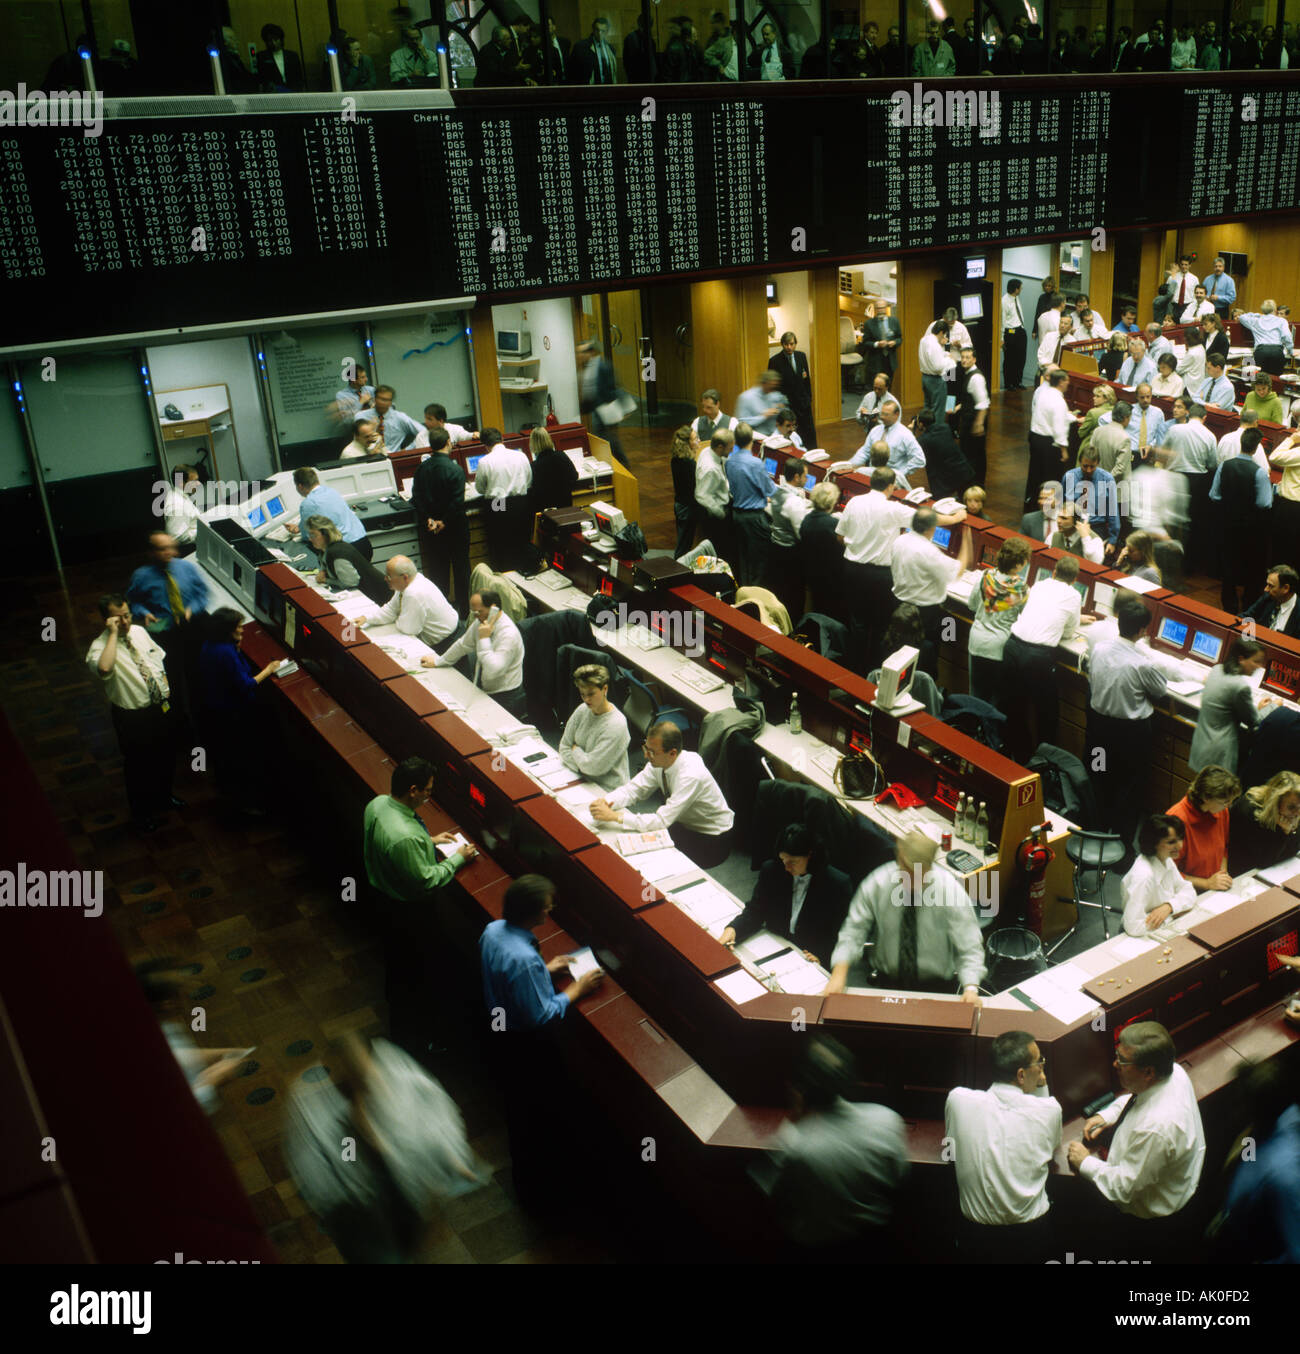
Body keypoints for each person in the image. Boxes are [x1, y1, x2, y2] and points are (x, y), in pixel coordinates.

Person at [286, 1032, 484, 1263]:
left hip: (399, 1187)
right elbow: (320, 1167)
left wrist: (450, 1156)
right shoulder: (313, 1104)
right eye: (352, 1082)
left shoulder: (394, 1071)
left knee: (408, 1238)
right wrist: (340, 1199)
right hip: (357, 1210)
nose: (364, 1087)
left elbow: (432, 1108)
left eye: (365, 1077)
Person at [479, 874, 603, 1209]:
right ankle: (540, 1194)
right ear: (532, 913)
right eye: (546, 907)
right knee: (537, 1117)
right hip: (527, 1046)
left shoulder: (493, 931)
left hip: (500, 1032)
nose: (550, 910)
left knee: (520, 1114)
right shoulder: (524, 959)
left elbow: (507, 978)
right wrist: (577, 989)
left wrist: (544, 971)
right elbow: (540, 1015)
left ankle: (531, 1182)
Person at [759, 1036, 908, 1258]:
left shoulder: (795, 1146)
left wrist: (794, 1120)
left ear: (799, 1090)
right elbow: (900, 1179)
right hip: (879, 1246)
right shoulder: (887, 1120)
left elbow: (773, 1198)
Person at [1067, 1022, 1206, 1255]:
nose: (1115, 1064)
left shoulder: (1156, 1128)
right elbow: (1138, 1097)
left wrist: (1085, 1162)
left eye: (1122, 1061)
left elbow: (1124, 1187)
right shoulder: (1173, 1072)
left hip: (1151, 1225)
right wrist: (1107, 1114)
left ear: (1148, 1072)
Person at [826, 830, 986, 1001]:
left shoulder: (950, 892)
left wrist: (970, 988)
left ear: (929, 867)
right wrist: (839, 973)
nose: (911, 879)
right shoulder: (877, 883)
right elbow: (854, 931)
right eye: (907, 870)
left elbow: (969, 947)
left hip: (936, 986)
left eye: (918, 873)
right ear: (899, 858)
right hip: (888, 982)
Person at [944, 1030, 1062, 1262]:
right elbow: (1052, 1147)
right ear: (1021, 1075)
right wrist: (1041, 1084)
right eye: (1039, 1062)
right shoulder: (1050, 1110)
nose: (1042, 1068)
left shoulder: (958, 1100)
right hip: (1031, 1236)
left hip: (976, 1237)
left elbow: (950, 1152)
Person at [86, 594, 180, 832]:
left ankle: (164, 797)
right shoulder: (100, 647)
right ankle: (142, 814)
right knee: (139, 766)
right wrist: (113, 634)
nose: (126, 622)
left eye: (127, 615)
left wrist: (164, 688)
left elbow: (157, 657)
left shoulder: (139, 631)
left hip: (160, 707)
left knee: (166, 755)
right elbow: (104, 668)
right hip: (132, 718)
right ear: (108, 621)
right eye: (119, 619)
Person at [591, 720, 734, 867]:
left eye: (652, 752)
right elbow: (633, 790)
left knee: (658, 863)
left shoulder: (691, 776)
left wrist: (616, 816)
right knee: (635, 846)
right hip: (682, 823)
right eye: (646, 748)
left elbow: (661, 821)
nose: (646, 755)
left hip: (711, 838)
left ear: (672, 753)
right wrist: (606, 801)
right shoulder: (659, 762)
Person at [1088, 595, 1169, 850]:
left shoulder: (1099, 649)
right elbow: (1160, 691)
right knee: (1129, 786)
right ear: (1142, 631)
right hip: (1130, 736)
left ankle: (1096, 832)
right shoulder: (1142, 664)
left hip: (1098, 730)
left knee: (1099, 776)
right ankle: (1122, 845)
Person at [721, 825, 853, 966]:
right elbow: (756, 911)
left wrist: (822, 957)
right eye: (783, 860)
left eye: (793, 862)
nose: (786, 867)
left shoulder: (837, 884)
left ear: (810, 855)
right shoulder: (772, 870)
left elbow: (841, 934)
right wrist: (733, 929)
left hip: (811, 953)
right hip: (775, 943)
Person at [1001, 554, 1088, 760]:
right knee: (1047, 712)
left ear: (1054, 572)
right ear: (1075, 579)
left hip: (1012, 647)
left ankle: (1019, 754)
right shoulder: (1074, 596)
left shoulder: (1039, 585)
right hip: (1037, 657)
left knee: (1014, 705)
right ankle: (1044, 758)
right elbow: (1069, 632)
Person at [197, 607, 283, 810]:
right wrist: (269, 670)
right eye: (238, 627)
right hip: (233, 712)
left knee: (228, 756)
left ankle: (230, 792)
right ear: (227, 630)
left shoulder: (210, 644)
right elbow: (246, 684)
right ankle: (247, 802)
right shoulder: (226, 652)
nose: (243, 630)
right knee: (244, 757)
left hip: (215, 710)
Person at [126, 531, 210, 721]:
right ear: (151, 552)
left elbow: (202, 594)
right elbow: (133, 602)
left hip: (190, 629)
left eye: (172, 547)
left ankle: (200, 712)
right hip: (163, 634)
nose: (170, 552)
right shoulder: (141, 576)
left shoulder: (186, 568)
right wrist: (143, 612)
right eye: (163, 549)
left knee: (195, 673)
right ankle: (176, 716)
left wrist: (192, 608)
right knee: (171, 676)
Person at [891, 507, 973, 675]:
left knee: (903, 651)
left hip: (898, 605)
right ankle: (931, 677)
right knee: (929, 650)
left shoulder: (900, 540)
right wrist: (966, 544)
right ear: (931, 529)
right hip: (925, 613)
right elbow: (957, 572)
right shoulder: (928, 551)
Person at [421, 590, 527, 719]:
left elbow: (493, 670)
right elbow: (463, 645)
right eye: (473, 612)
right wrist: (439, 661)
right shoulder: (482, 621)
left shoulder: (508, 634)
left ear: (493, 609)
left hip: (505, 696)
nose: (475, 616)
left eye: (479, 612)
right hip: (484, 688)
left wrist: (484, 639)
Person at [1211, 428, 1273, 613]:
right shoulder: (1259, 472)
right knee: (1251, 567)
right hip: (1250, 528)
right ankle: (1248, 605)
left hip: (1227, 524)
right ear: (1256, 448)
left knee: (1228, 565)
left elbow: (1214, 494)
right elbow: (1264, 503)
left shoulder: (1225, 466)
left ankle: (1228, 605)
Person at [410, 428, 470, 616]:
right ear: (448, 443)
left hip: (431, 530)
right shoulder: (455, 469)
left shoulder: (421, 469)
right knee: (461, 568)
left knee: (438, 571)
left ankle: (442, 612)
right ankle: (465, 610)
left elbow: (416, 498)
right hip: (455, 527)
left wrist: (429, 520)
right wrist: (444, 521)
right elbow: (457, 502)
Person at [1189, 639, 1268, 775]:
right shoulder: (1239, 686)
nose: (1259, 667)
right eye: (1256, 661)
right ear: (1241, 659)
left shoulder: (1217, 669)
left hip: (1201, 747)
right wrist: (1270, 707)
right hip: (1219, 756)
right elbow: (1254, 721)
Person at [966, 537, 1030, 706]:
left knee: (974, 696)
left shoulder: (985, 576)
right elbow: (1025, 622)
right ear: (1019, 565)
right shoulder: (1022, 590)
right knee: (994, 701)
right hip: (999, 648)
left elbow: (972, 605)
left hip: (976, 642)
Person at [1167, 766, 1243, 895]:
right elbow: (1167, 873)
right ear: (1206, 798)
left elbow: (1224, 847)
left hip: (1213, 888)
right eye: (1225, 802)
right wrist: (1207, 883)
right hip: (1185, 892)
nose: (1229, 806)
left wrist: (1222, 874)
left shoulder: (1221, 811)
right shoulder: (1176, 821)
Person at [1121, 814, 1198, 937]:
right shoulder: (1144, 877)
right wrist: (1172, 915)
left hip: (1158, 928)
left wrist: (1169, 907)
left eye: (1180, 838)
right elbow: (1133, 927)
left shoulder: (1166, 859)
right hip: (1141, 936)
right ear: (1154, 843)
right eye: (1171, 842)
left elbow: (1189, 891)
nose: (1180, 846)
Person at [558, 664, 631, 793]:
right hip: (580, 777)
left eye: (591, 694)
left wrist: (575, 749)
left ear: (605, 689)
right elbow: (563, 747)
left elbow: (593, 768)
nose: (586, 699)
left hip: (607, 790)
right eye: (582, 694)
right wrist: (583, 766)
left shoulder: (616, 724)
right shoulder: (582, 710)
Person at [362, 555, 458, 649]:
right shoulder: (408, 583)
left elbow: (408, 629)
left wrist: (397, 617)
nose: (385, 579)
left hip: (447, 643)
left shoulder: (413, 593)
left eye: (389, 576)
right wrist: (367, 618)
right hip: (446, 634)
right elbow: (391, 609)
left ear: (405, 577)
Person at [472, 426, 532, 573]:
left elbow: (480, 488)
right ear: (502, 439)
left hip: (497, 503)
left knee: (500, 544)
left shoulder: (484, 461)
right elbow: (529, 481)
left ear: (485, 445)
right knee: (521, 542)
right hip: (520, 503)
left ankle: (504, 576)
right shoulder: (521, 456)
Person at [725, 422, 774, 586]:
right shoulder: (756, 463)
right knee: (758, 562)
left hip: (737, 515)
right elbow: (770, 490)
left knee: (744, 559)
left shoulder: (729, 461)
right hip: (755, 518)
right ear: (751, 440)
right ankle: (755, 595)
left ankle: (744, 593)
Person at [304, 516, 388, 606]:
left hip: (380, 598)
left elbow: (351, 582)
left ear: (326, 534)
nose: (310, 539)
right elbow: (325, 566)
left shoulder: (337, 553)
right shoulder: (326, 549)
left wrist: (325, 580)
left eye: (313, 535)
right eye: (309, 535)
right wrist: (323, 572)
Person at [289, 467, 371, 559]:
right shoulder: (331, 491)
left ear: (300, 486)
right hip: (363, 544)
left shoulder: (308, 503)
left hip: (345, 551)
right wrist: (299, 527)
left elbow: (308, 536)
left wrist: (301, 530)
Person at [765, 459, 810, 622]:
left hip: (775, 547)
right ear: (796, 477)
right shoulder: (794, 502)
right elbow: (801, 533)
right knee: (793, 594)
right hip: (790, 554)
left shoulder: (778, 491)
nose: (807, 479)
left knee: (779, 589)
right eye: (805, 476)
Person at [1229, 771, 1300, 874]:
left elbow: (1294, 850)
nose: (1298, 813)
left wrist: (1289, 831)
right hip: (1239, 870)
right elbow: (1263, 861)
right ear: (1274, 802)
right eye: (1291, 807)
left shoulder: (1292, 812)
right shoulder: (1248, 810)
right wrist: (1283, 832)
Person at [576, 340, 629, 468]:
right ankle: (612, 463)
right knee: (604, 438)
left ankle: (622, 463)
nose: (580, 355)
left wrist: (623, 408)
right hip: (596, 409)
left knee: (610, 439)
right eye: (578, 352)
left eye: (583, 352)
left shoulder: (604, 366)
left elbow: (615, 387)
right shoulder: (586, 368)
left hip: (607, 409)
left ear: (591, 352)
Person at [1025, 369, 1072, 510]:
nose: (1068, 383)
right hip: (1048, 444)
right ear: (1061, 382)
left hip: (1035, 438)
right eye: (1067, 380)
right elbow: (1059, 428)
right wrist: (1064, 450)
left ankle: (1032, 505)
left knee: (1035, 474)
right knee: (1050, 477)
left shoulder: (1042, 393)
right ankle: (1049, 508)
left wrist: (1072, 417)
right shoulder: (1059, 401)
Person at [801, 481, 845, 619]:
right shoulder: (833, 524)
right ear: (832, 501)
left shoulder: (807, 519)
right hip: (830, 578)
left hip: (811, 572)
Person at [913, 408, 974, 502]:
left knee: (941, 502)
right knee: (965, 501)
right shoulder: (945, 428)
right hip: (964, 471)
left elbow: (913, 448)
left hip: (945, 479)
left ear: (921, 424)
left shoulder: (924, 440)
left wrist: (912, 430)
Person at [1062, 448, 1121, 545]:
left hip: (1097, 528)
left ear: (1098, 463)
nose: (1088, 470)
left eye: (1092, 466)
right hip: (1073, 527)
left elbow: (1113, 511)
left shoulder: (1107, 479)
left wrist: (1112, 540)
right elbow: (1062, 505)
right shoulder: (1069, 477)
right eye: (1085, 466)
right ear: (1079, 462)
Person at [695, 427, 733, 565]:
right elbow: (701, 495)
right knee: (720, 551)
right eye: (730, 448)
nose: (731, 451)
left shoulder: (707, 451)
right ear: (720, 447)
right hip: (715, 516)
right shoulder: (711, 469)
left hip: (717, 506)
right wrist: (721, 513)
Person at [771, 332, 814, 446]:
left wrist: (809, 398)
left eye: (791, 344)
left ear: (795, 344)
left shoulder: (801, 356)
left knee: (809, 433)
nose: (789, 347)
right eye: (786, 344)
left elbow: (806, 379)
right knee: (794, 435)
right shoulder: (775, 361)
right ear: (782, 344)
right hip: (789, 405)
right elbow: (774, 387)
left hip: (804, 403)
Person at [955, 346, 989, 484]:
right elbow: (971, 398)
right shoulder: (968, 373)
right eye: (962, 357)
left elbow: (983, 403)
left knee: (975, 455)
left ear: (974, 359)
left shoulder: (976, 378)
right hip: (968, 420)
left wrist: (979, 424)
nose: (964, 360)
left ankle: (976, 484)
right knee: (969, 453)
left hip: (973, 422)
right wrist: (959, 407)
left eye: (967, 357)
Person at [527, 427, 578, 514]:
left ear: (533, 444)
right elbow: (575, 476)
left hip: (546, 512)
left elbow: (533, 491)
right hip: (566, 508)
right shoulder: (561, 456)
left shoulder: (534, 466)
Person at [1242, 563, 1300, 638]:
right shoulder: (1268, 598)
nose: (1266, 589)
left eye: (1271, 586)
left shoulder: (1298, 611)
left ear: (1286, 588)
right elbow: (1245, 617)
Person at [1237, 300, 1293, 374]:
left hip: (1261, 351)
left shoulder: (1255, 321)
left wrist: (1257, 314)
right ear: (1275, 310)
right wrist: (1290, 350)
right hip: (1277, 351)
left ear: (1262, 310)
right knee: (1276, 379)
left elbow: (1242, 317)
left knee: (1259, 377)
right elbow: (1287, 336)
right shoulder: (1281, 321)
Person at [670, 423, 700, 559]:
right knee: (684, 546)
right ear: (687, 443)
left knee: (683, 541)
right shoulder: (689, 464)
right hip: (688, 508)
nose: (698, 441)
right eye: (695, 439)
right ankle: (678, 568)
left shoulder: (676, 459)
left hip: (680, 505)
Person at [859, 300, 902, 385]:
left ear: (886, 308)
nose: (880, 310)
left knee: (888, 385)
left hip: (890, 360)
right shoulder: (869, 323)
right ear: (875, 309)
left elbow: (899, 338)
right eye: (878, 308)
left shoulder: (894, 321)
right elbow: (865, 342)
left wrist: (895, 342)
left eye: (882, 308)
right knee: (876, 386)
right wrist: (877, 344)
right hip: (875, 361)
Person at [918, 320, 954, 421]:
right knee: (938, 410)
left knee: (928, 408)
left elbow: (932, 357)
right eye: (944, 335)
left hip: (925, 378)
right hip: (936, 379)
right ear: (941, 332)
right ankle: (937, 429)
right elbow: (938, 367)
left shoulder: (923, 340)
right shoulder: (935, 345)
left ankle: (927, 428)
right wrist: (951, 360)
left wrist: (944, 353)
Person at [734, 370, 787, 438]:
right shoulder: (746, 397)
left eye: (775, 387)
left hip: (775, 436)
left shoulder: (775, 395)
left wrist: (782, 409)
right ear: (764, 383)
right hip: (755, 438)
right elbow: (741, 423)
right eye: (771, 387)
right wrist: (763, 416)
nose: (772, 391)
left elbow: (786, 413)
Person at [256, 22, 304, 91]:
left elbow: (299, 78)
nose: (273, 43)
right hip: (273, 93)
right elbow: (262, 78)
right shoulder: (262, 57)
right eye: (270, 40)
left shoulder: (293, 56)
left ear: (281, 39)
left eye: (276, 39)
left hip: (293, 91)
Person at [571, 16, 618, 84]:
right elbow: (573, 70)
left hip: (607, 86)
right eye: (597, 30)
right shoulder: (581, 47)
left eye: (603, 31)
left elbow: (613, 72)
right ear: (593, 30)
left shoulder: (610, 48)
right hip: (589, 87)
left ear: (607, 32)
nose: (599, 33)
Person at [1001, 279, 1028, 388]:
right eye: (1020, 288)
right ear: (1016, 289)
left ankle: (1018, 381)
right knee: (1010, 360)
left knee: (1021, 359)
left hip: (1020, 330)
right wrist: (1001, 337)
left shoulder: (1016, 298)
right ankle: (1009, 383)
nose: (1022, 289)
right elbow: (1002, 321)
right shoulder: (1004, 301)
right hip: (1010, 332)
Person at [703, 10, 738, 79]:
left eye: (714, 23)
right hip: (721, 76)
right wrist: (719, 65)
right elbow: (707, 55)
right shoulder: (713, 39)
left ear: (720, 23)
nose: (712, 26)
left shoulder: (731, 36)